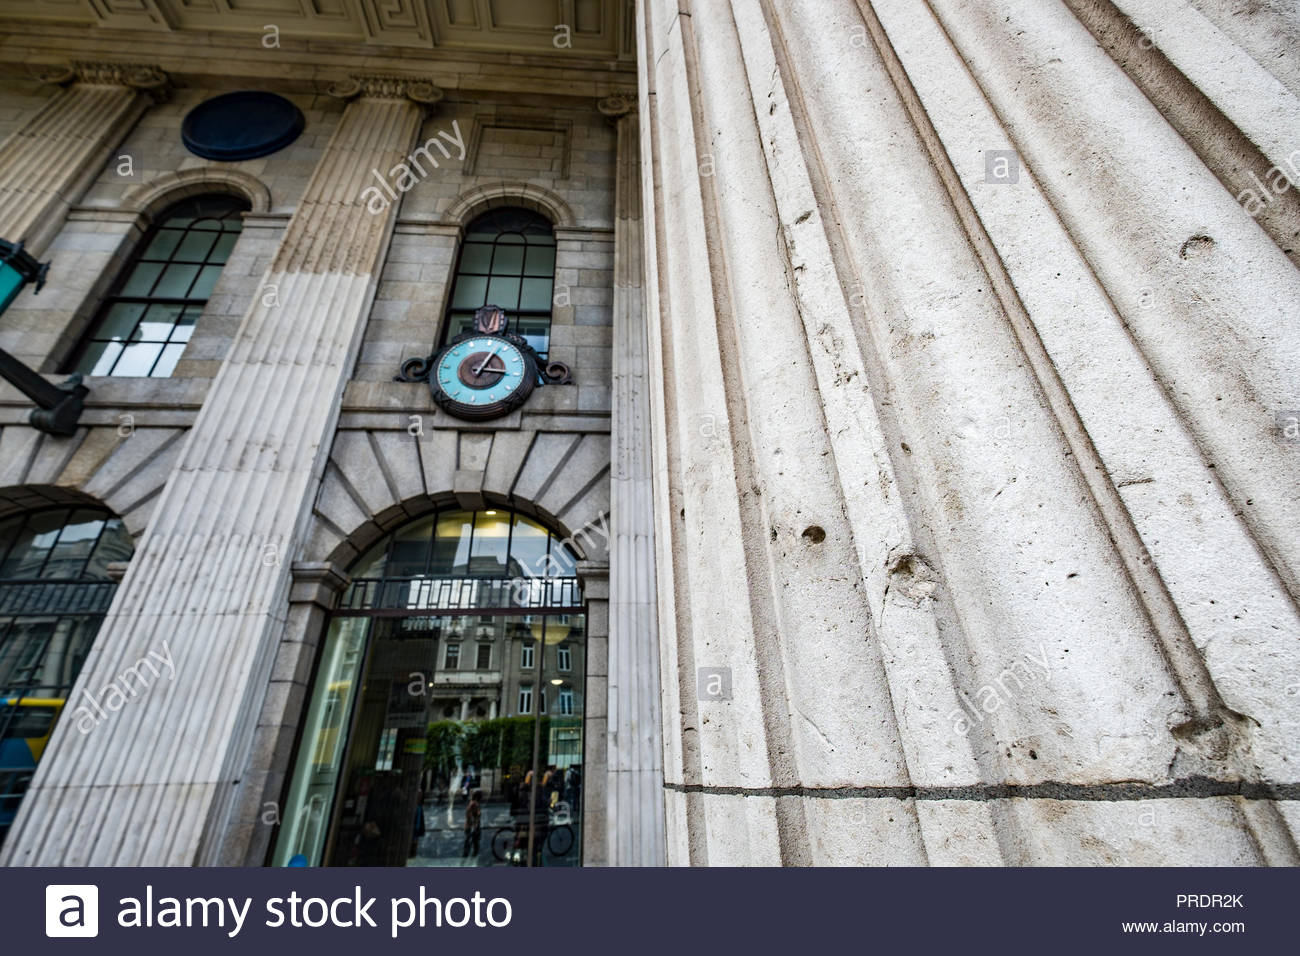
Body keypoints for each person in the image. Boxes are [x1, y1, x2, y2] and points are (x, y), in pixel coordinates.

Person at [462, 788, 482, 860]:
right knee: (472, 842)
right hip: (471, 827)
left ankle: (470, 856)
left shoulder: (475, 803)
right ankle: (467, 858)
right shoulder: (473, 804)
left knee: (473, 842)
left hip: (472, 826)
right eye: (480, 795)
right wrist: (474, 825)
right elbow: (469, 815)